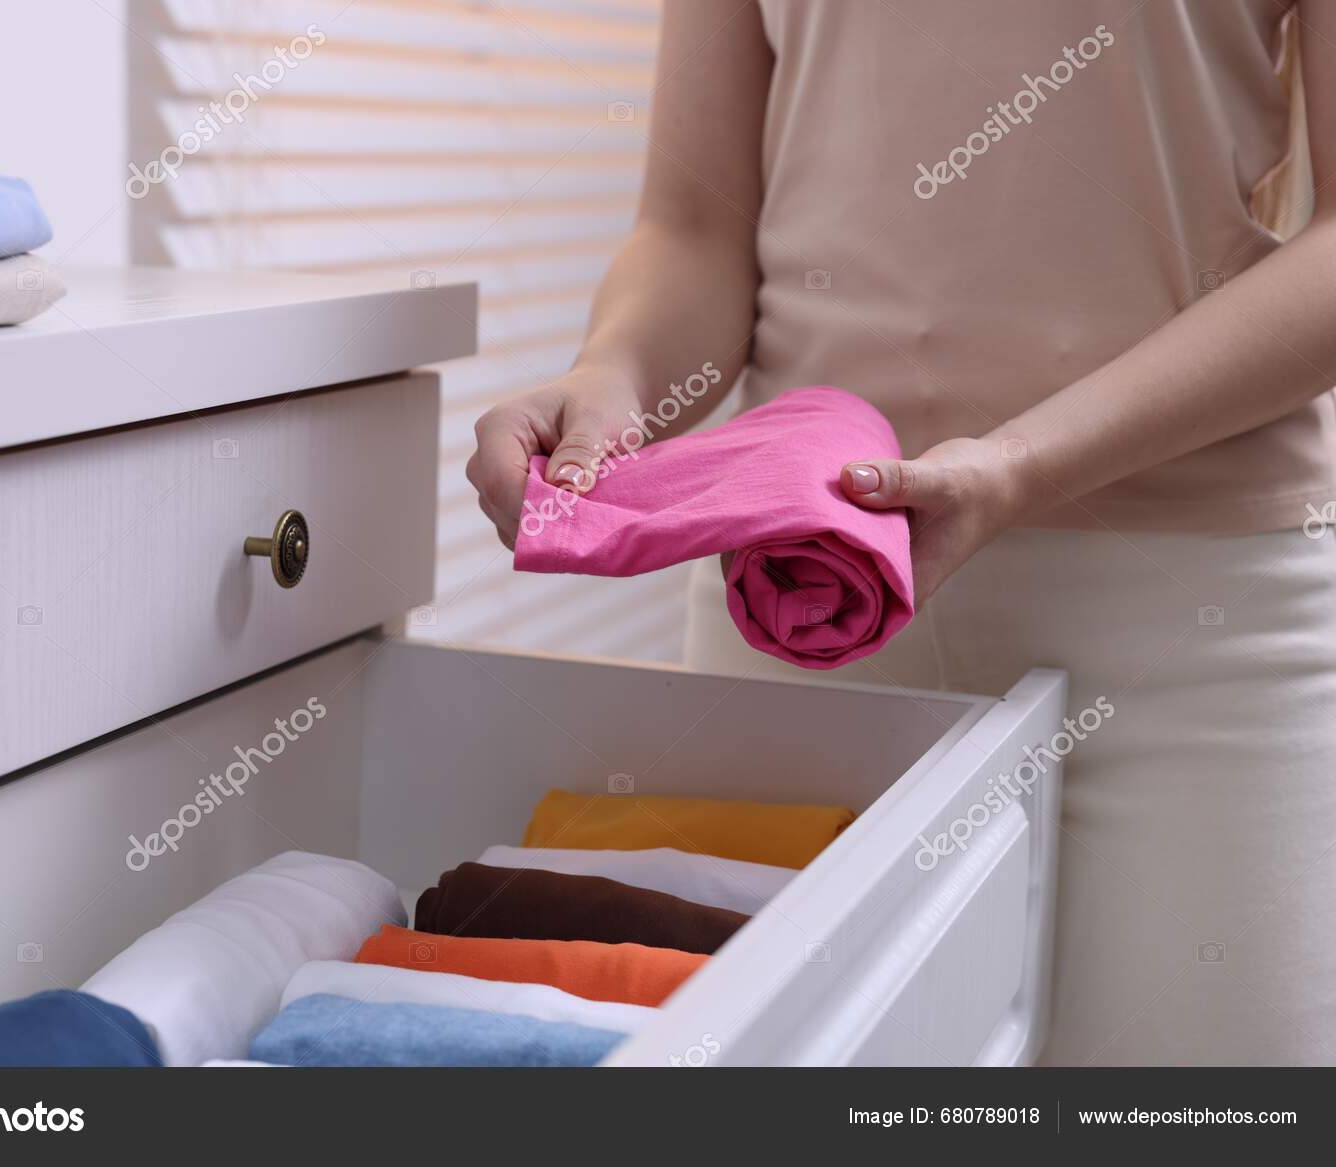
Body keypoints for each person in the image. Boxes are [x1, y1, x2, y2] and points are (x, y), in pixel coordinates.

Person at [466, 0, 1336, 1065]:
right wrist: (614, 380)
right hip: (808, 596)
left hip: (1196, 633)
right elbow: (696, 227)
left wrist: (1020, 463)